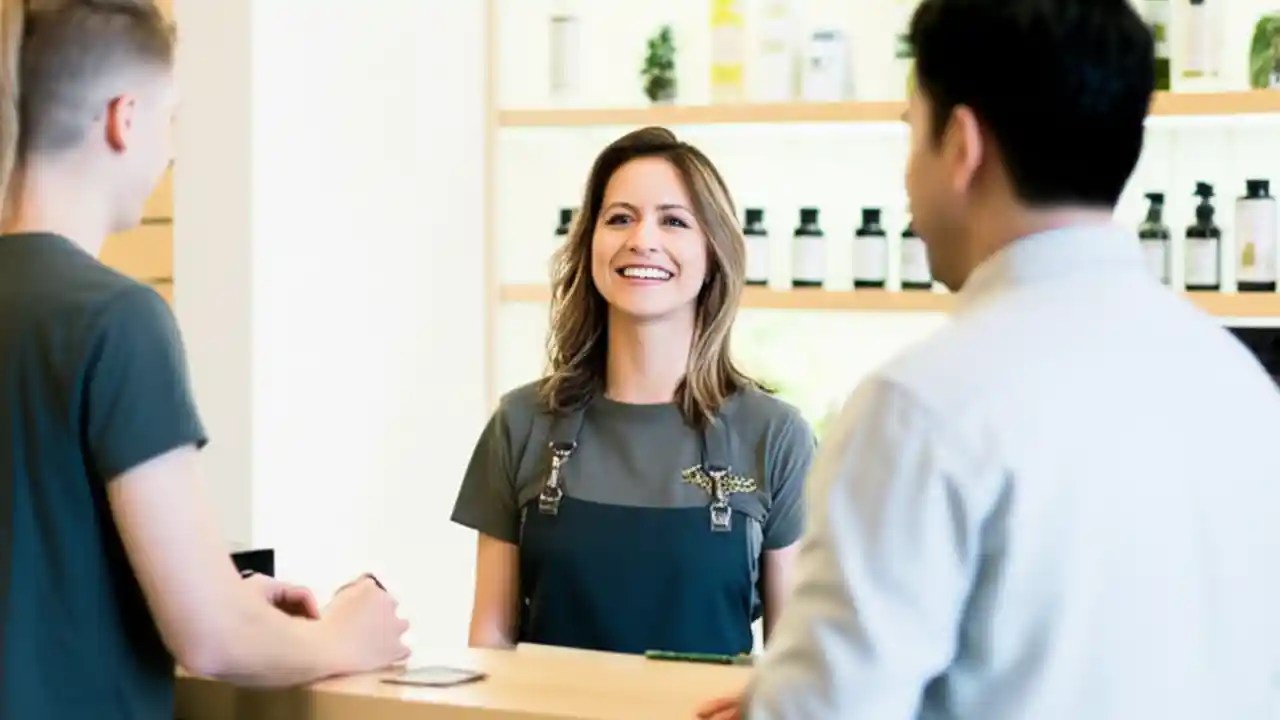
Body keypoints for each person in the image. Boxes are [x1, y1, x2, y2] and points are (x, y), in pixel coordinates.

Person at [699, 0, 1280, 718]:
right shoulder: (1242, 387)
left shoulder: (922, 406)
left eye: (912, 133)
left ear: (963, 147)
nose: (907, 181)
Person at [0, 1, 410, 717]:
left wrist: (216, 589)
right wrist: (349, 637)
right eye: (171, 117)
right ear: (123, 118)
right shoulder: (115, 321)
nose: (172, 147)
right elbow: (213, 640)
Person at [451, 127, 815, 658]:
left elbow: (795, 669)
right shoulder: (521, 423)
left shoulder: (776, 437)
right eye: (619, 218)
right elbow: (490, 642)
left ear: (713, 251)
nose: (642, 239)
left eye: (673, 220)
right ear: (589, 245)